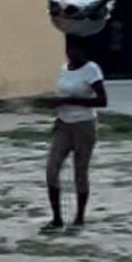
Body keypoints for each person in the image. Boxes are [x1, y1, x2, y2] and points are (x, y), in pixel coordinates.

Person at [41, 36, 107, 233]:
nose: (70, 53)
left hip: (84, 125)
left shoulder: (91, 70)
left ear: (82, 50)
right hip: (63, 124)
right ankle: (57, 218)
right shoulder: (64, 68)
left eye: (74, 49)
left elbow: (102, 100)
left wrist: (72, 101)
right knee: (51, 169)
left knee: (80, 171)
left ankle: (79, 216)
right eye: (68, 48)